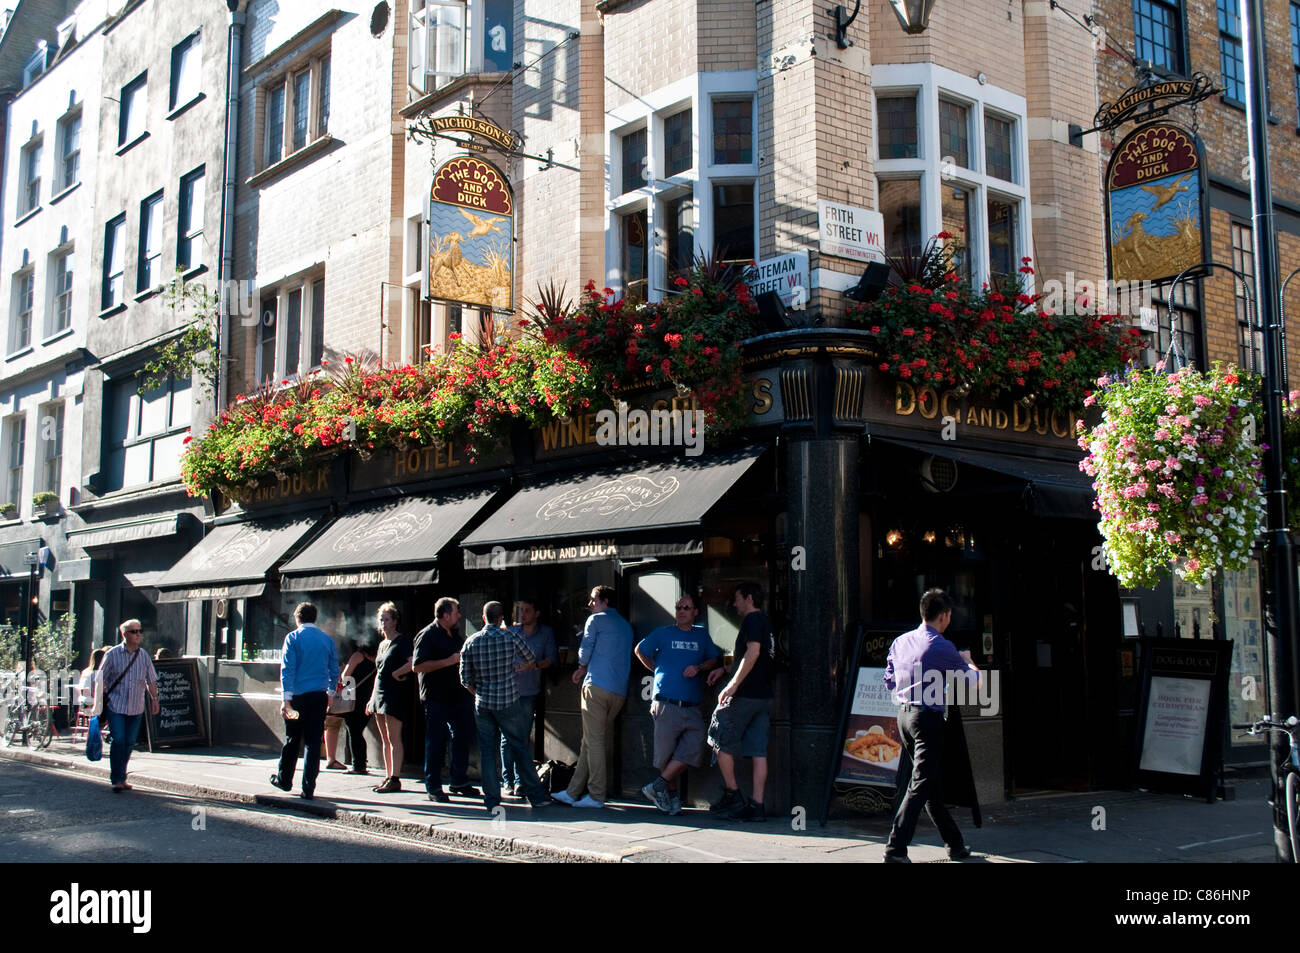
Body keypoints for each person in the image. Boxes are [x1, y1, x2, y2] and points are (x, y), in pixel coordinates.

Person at [881, 588, 979, 863]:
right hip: (926, 720)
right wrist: (968, 661)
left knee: (930, 786)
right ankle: (895, 848)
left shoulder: (900, 642)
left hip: (904, 717)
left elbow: (889, 681)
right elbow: (974, 683)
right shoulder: (941, 645)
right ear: (944, 616)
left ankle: (955, 844)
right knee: (920, 784)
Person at [460, 601, 554, 812]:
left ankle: (492, 799)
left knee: (487, 751)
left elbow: (465, 679)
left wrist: (478, 693)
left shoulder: (471, 641)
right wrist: (514, 667)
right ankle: (535, 795)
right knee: (519, 746)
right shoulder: (510, 637)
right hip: (508, 700)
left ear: (483, 618)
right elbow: (530, 657)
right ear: (501, 618)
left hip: (483, 702)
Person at [634, 592, 721, 815]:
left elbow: (713, 658)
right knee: (666, 754)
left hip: (691, 705)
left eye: (686, 608)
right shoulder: (663, 633)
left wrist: (699, 668)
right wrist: (657, 669)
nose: (681, 611)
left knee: (696, 744)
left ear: (695, 612)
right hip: (666, 701)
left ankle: (657, 787)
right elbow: (639, 650)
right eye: (679, 607)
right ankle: (672, 798)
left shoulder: (701, 635)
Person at [553, 585, 633, 809]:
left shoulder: (595, 620)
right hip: (618, 691)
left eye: (593, 600)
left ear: (605, 601)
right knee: (590, 740)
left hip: (596, 686)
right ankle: (573, 791)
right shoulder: (626, 626)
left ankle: (597, 795)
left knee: (594, 741)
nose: (590, 604)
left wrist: (581, 666)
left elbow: (585, 649)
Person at [706, 583, 776, 822]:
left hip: (745, 695)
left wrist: (732, 684)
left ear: (749, 598)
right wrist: (726, 669)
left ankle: (733, 794)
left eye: (737, 598)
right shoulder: (766, 622)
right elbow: (760, 658)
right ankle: (757, 806)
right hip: (764, 696)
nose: (734, 604)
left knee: (719, 740)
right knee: (758, 752)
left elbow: (753, 652)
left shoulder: (752, 620)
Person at [270, 602, 339, 800]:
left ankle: (284, 779)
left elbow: (287, 670)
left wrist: (286, 700)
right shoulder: (326, 640)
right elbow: (334, 670)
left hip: (297, 698)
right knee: (313, 742)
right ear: (315, 618)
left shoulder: (293, 638)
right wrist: (331, 693)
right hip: (319, 697)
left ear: (297, 618)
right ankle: (308, 788)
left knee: (292, 739)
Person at [412, 597, 478, 803]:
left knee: (462, 737)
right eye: (456, 612)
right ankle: (433, 786)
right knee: (436, 741)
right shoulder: (427, 634)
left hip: (458, 694)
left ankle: (459, 780)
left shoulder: (456, 634)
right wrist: (448, 661)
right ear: (446, 615)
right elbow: (417, 666)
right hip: (436, 696)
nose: (459, 615)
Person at [500, 598, 557, 796]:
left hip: (529, 691)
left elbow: (551, 659)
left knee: (522, 737)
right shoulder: (511, 632)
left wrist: (534, 665)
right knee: (507, 738)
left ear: (536, 613)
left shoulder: (545, 633)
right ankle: (507, 780)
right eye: (521, 610)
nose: (523, 614)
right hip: (508, 690)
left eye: (527, 610)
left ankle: (519, 781)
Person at [98, 620, 160, 793]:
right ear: (124, 634)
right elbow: (100, 679)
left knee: (129, 742)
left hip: (136, 706)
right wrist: (97, 703)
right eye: (134, 631)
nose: (138, 634)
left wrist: (155, 699)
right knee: (119, 739)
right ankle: (117, 778)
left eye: (140, 631)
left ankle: (122, 776)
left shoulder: (144, 656)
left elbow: (151, 680)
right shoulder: (112, 654)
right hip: (115, 705)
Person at [367, 602, 414, 793]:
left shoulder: (402, 641)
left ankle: (395, 778)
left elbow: (413, 662)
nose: (383, 623)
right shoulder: (382, 644)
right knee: (384, 739)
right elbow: (378, 671)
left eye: (387, 619)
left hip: (394, 694)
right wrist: (371, 699)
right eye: (381, 620)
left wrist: (397, 672)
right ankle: (388, 776)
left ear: (395, 621)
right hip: (379, 693)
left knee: (394, 737)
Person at [324, 637, 376, 774]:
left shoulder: (358, 656)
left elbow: (345, 676)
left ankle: (358, 765)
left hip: (353, 699)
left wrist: (342, 671)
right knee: (358, 731)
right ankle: (361, 763)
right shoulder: (376, 659)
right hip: (368, 698)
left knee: (354, 731)